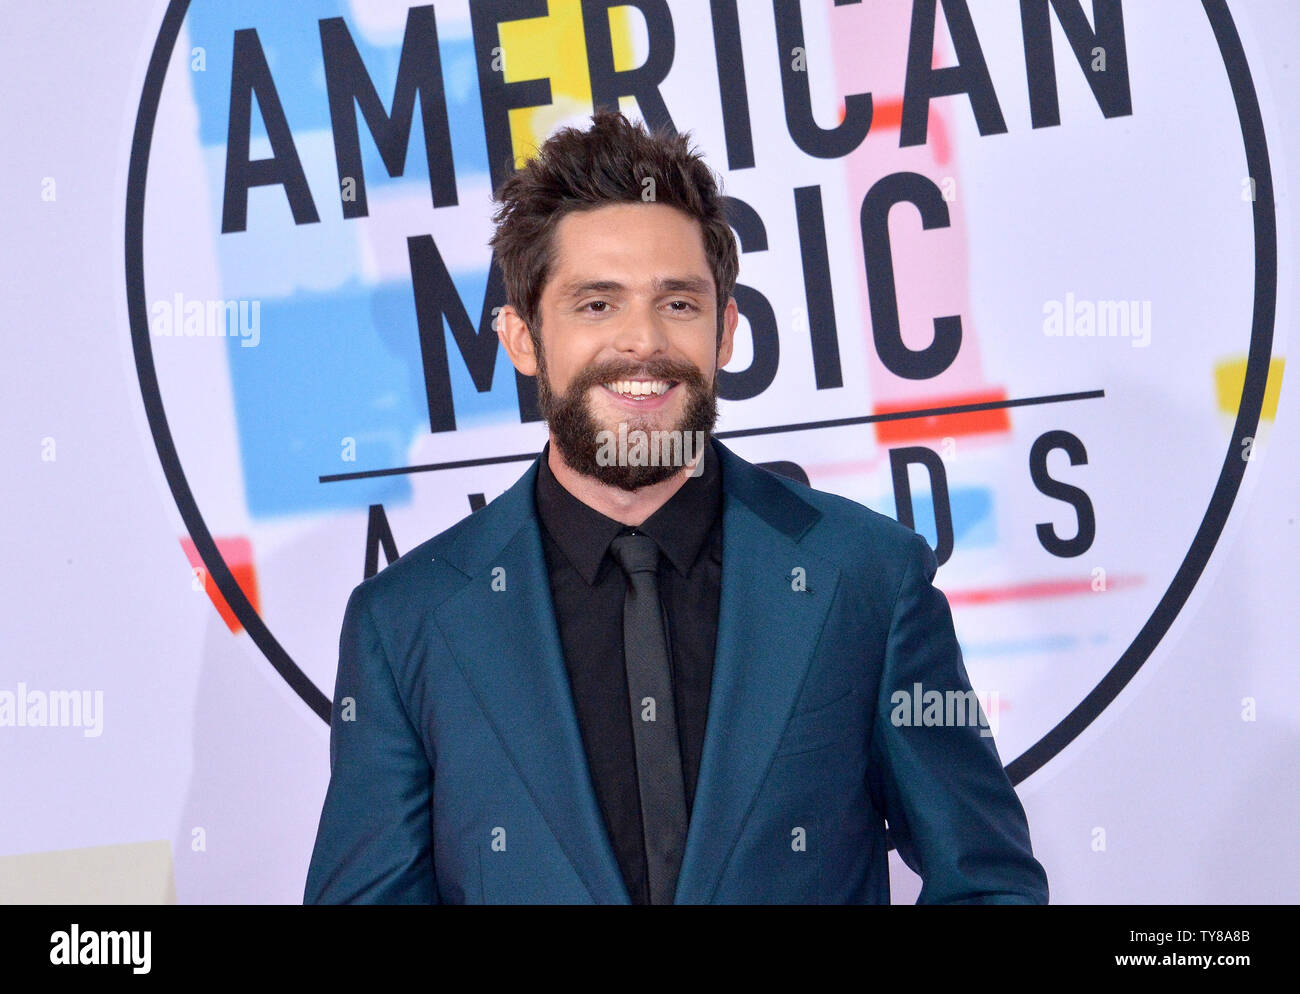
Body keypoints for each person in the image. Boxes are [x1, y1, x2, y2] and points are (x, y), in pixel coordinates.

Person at [304, 110, 1048, 905]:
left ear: (725, 330)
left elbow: (987, 880)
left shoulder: (867, 578)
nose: (643, 342)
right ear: (522, 339)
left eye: (679, 304)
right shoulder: (408, 621)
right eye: (596, 305)